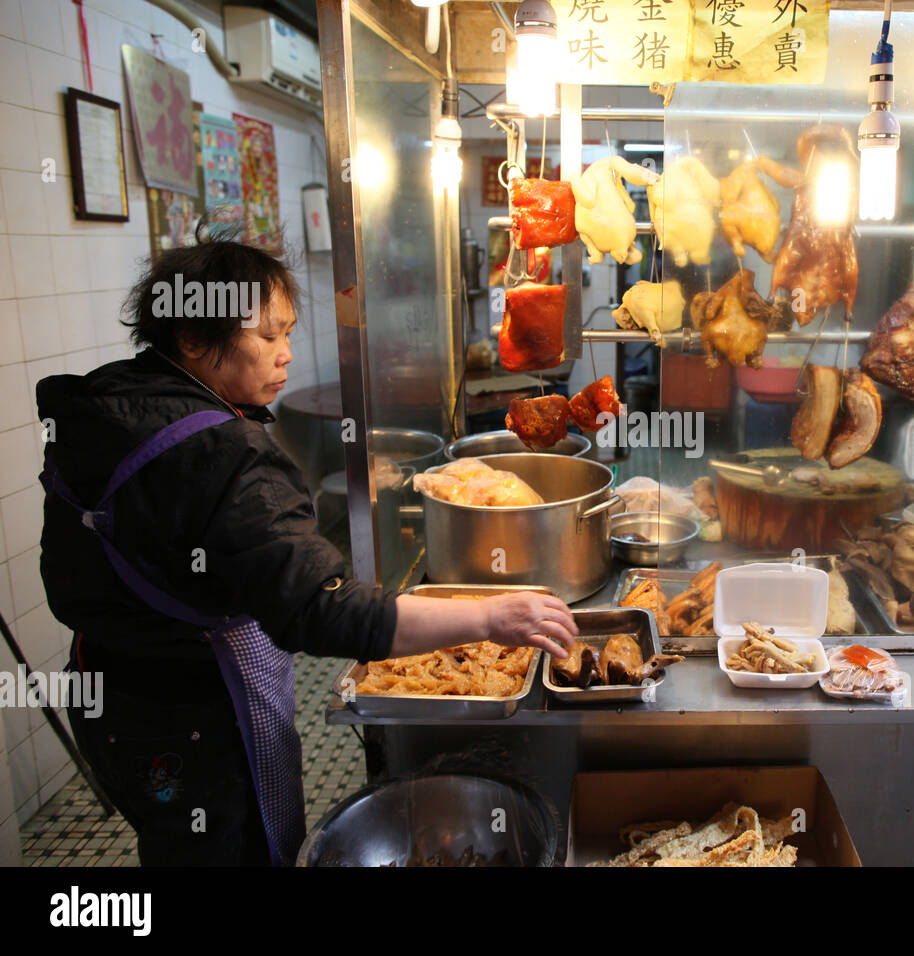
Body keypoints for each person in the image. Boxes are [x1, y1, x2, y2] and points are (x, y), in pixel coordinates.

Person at [37, 237, 577, 866]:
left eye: (288, 333)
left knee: (171, 848)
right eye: (267, 337)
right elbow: (324, 611)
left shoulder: (105, 408)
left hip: (107, 702)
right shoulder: (223, 454)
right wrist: (491, 617)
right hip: (201, 721)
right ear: (191, 337)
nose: (286, 353)